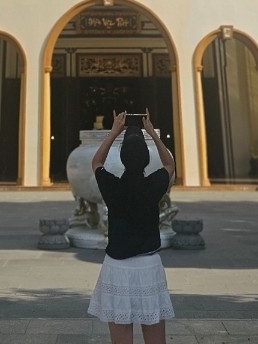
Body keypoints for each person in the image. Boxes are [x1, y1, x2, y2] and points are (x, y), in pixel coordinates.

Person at [87, 109, 176, 344]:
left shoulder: (111, 186)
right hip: (149, 267)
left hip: (117, 268)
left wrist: (114, 131)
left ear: (122, 157)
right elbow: (169, 163)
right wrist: (151, 133)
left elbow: (96, 162)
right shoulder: (154, 184)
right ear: (146, 159)